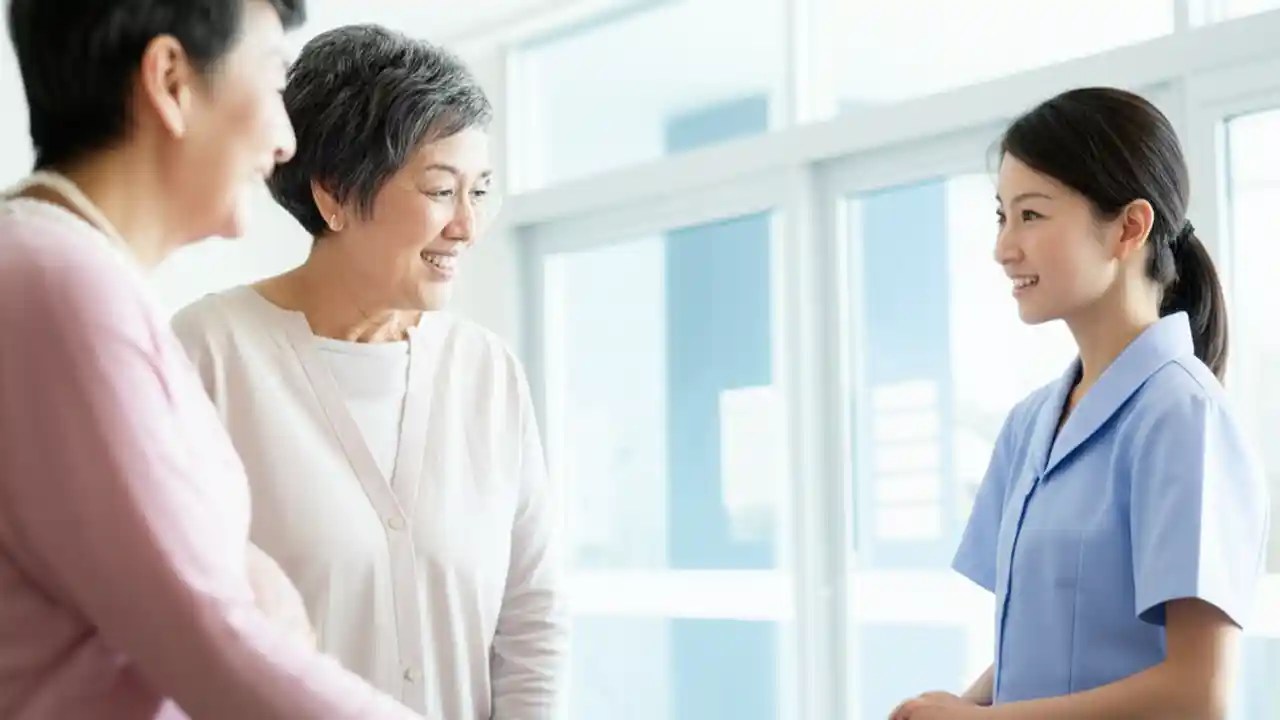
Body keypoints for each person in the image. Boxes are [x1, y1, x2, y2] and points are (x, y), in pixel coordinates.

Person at [0, 1, 423, 717]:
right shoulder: (56, 286)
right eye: (274, 77)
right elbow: (213, 639)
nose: (287, 142)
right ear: (170, 80)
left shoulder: (70, 276)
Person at [171, 24, 566, 719]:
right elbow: (172, 619)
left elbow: (532, 619)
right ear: (334, 194)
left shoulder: (487, 374)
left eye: (481, 191)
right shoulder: (210, 354)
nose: (467, 227)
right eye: (441, 189)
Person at [891, 87, 1269, 719]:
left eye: (1032, 216)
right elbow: (1037, 648)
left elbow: (1198, 696)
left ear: (1129, 227)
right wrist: (959, 704)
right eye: (1001, 216)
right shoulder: (1029, 425)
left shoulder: (1183, 417)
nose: (1004, 247)